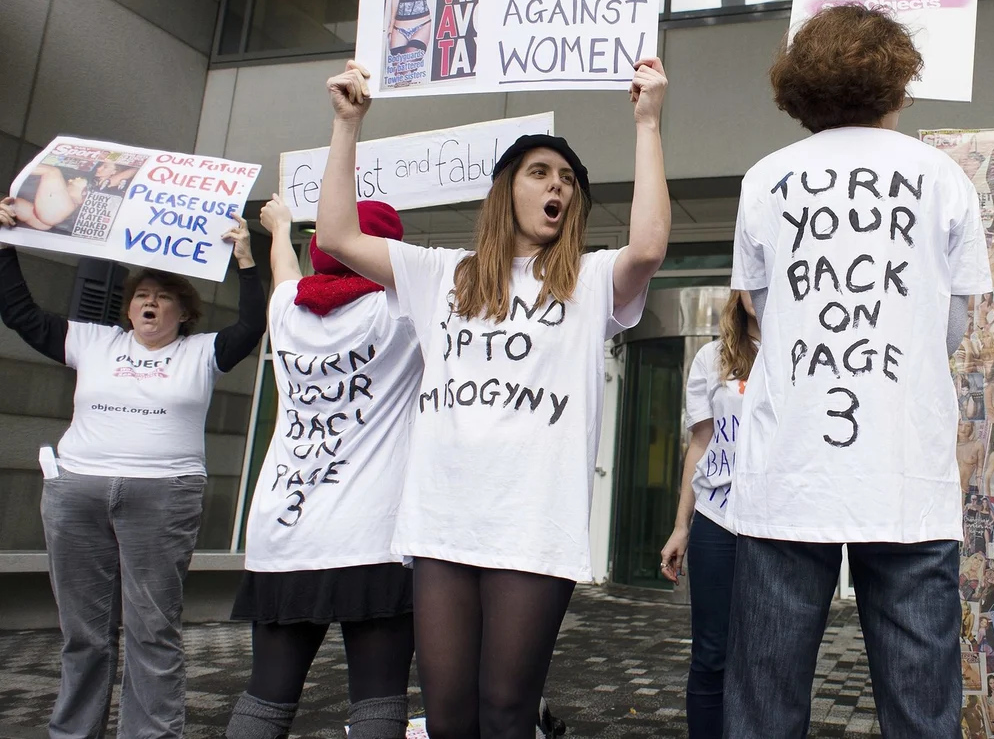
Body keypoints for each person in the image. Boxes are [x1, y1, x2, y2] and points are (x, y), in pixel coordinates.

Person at [312, 58, 668, 738]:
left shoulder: (588, 281)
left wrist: (647, 121)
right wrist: (346, 124)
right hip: (443, 524)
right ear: (507, 190)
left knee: (506, 712)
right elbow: (335, 238)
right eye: (540, 173)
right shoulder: (442, 273)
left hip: (532, 526)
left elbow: (648, 246)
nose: (556, 185)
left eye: (567, 180)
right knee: (448, 716)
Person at [721, 4, 992, 738]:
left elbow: (763, 311)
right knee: (921, 708)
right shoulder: (942, 177)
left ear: (798, 87)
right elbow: (955, 324)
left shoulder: (766, 178)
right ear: (899, 82)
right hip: (905, 470)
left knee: (764, 703)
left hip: (789, 469)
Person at [0, 204, 265, 738]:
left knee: (152, 628)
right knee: (83, 632)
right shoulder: (92, 341)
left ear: (183, 312)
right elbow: (19, 313)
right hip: (78, 491)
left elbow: (253, 324)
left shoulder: (203, 351)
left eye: (163, 296)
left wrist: (245, 261)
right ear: (128, 309)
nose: (150, 302)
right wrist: (4, 246)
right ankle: (74, 732)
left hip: (163, 496)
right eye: (142, 295)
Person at [228, 195, 423, 739]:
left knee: (265, 698)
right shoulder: (402, 307)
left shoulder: (288, 308)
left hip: (283, 530)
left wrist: (282, 227)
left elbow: (285, 271)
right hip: (371, 536)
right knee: (378, 701)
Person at [659, 290, 759, 739]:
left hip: (776, 524)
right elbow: (700, 443)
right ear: (738, 289)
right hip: (717, 521)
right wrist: (682, 526)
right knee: (711, 655)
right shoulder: (712, 357)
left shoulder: (801, 348)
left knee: (766, 657)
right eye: (750, 279)